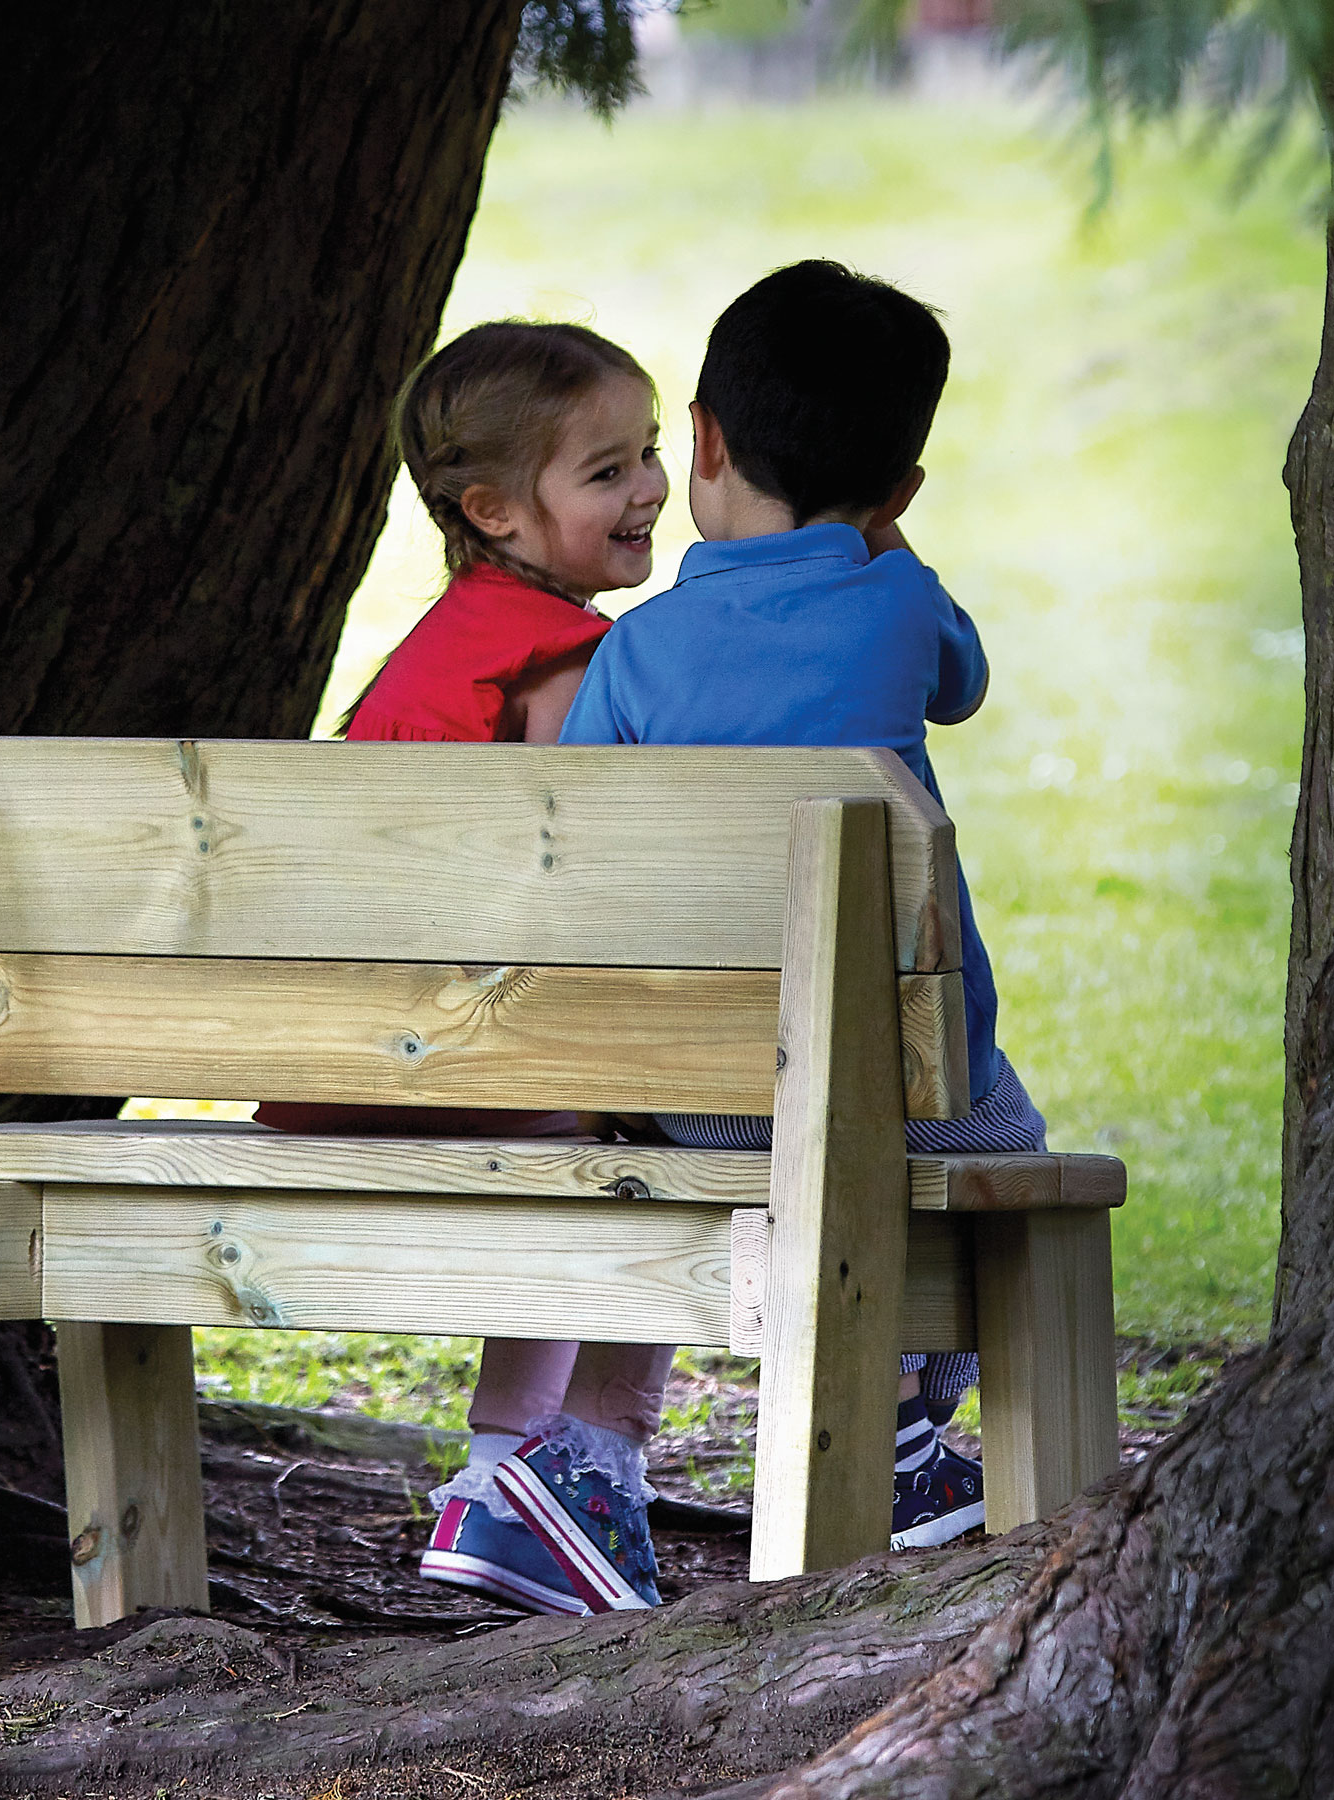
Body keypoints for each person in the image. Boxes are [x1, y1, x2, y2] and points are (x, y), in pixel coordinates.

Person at [557, 259, 1047, 1553]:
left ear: (704, 440)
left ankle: (629, 1452)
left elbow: (576, 838)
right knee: (1016, 1144)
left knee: (803, 1128)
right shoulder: (897, 598)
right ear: (899, 492)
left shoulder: (634, 648)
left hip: (692, 1071)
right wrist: (887, 537)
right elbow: (967, 682)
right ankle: (898, 1424)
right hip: (904, 1076)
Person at [257, 320, 674, 1615]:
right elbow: (585, 873)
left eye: (650, 454)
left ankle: (505, 1481)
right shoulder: (560, 657)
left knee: (606, 1106)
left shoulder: (446, 642)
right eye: (606, 471)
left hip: (321, 1064)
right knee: (658, 1125)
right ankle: (541, 1477)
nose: (650, 487)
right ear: (491, 507)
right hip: (444, 1063)